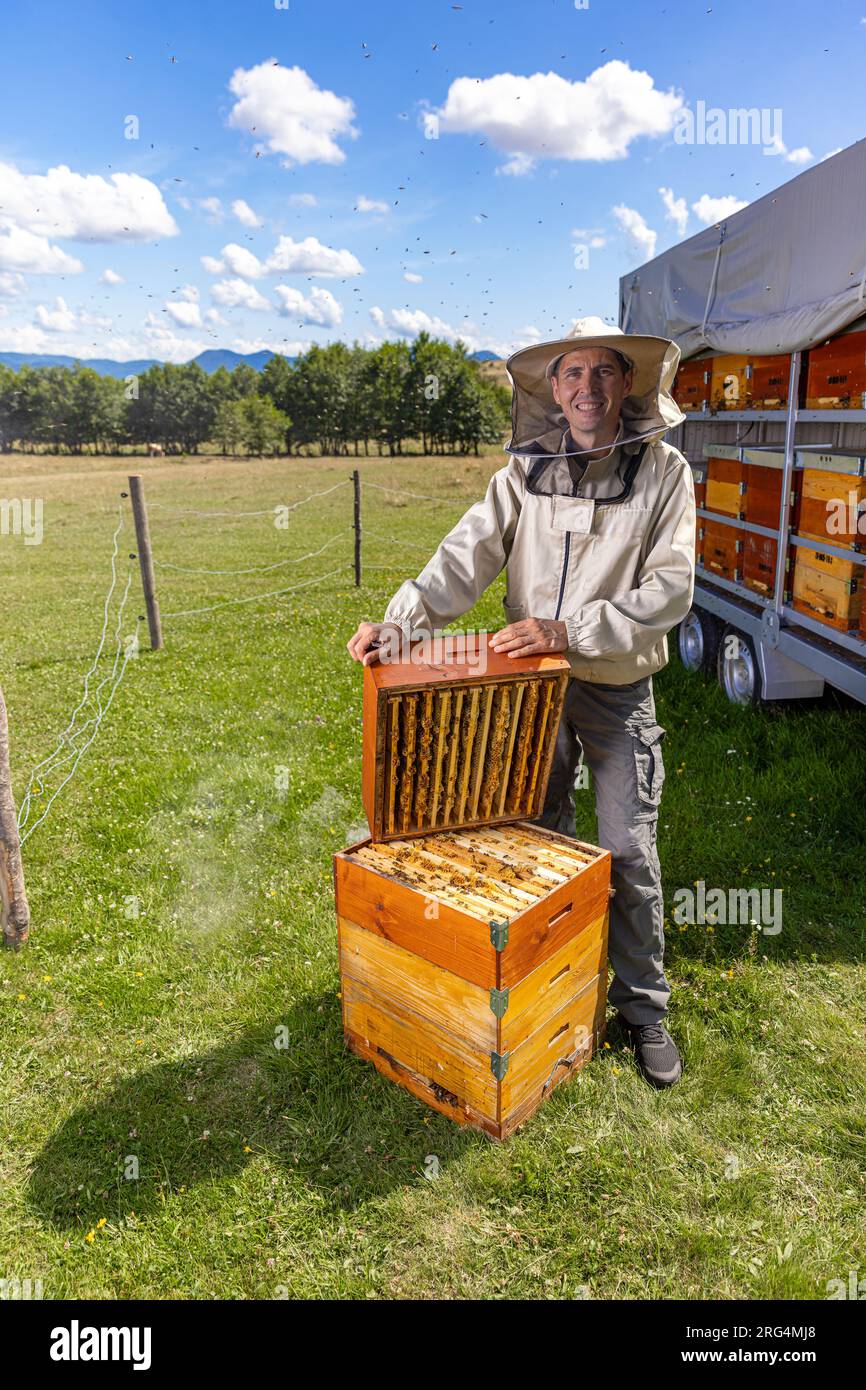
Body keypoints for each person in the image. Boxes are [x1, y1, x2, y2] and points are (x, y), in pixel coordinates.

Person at [347, 317, 695, 1087]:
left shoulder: (665, 474)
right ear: (552, 388)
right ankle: (546, 995)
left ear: (627, 382)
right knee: (533, 842)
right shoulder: (523, 474)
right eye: (572, 374)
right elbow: (463, 555)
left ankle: (644, 1009)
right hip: (529, 691)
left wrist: (566, 629)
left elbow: (669, 590)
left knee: (628, 850)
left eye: (603, 372)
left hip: (612, 687)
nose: (587, 388)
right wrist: (399, 626)